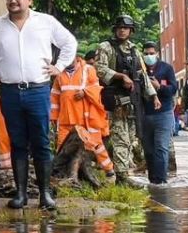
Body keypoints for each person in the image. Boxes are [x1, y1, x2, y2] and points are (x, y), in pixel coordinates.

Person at [0, 0, 77, 210]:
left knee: (41, 143)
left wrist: (59, 66)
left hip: (37, 91)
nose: (13, 1)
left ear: (30, 0)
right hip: (9, 92)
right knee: (17, 143)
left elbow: (69, 42)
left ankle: (45, 194)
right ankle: (20, 194)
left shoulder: (45, 22)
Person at [95, 14, 159, 185]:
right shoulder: (106, 47)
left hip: (132, 100)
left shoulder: (134, 50)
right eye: (120, 28)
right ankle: (122, 177)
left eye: (126, 28)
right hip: (115, 100)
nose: (122, 31)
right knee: (121, 139)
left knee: (131, 138)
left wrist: (153, 95)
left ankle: (119, 172)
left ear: (131, 31)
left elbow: (142, 75)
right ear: (115, 29)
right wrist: (120, 76)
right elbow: (99, 69)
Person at [50, 50, 115, 182]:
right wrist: (53, 117)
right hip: (65, 118)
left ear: (75, 56)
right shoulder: (59, 75)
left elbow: (97, 89)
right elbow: (55, 97)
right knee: (63, 146)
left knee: (95, 144)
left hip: (85, 118)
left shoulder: (88, 69)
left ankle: (109, 171)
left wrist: (85, 92)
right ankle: (61, 175)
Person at [139, 42, 178, 185]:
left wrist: (159, 87)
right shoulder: (139, 69)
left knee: (161, 147)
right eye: (146, 53)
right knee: (148, 150)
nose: (149, 56)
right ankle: (152, 179)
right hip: (145, 114)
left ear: (157, 54)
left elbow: (173, 89)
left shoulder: (166, 68)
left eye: (151, 53)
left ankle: (161, 181)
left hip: (164, 114)